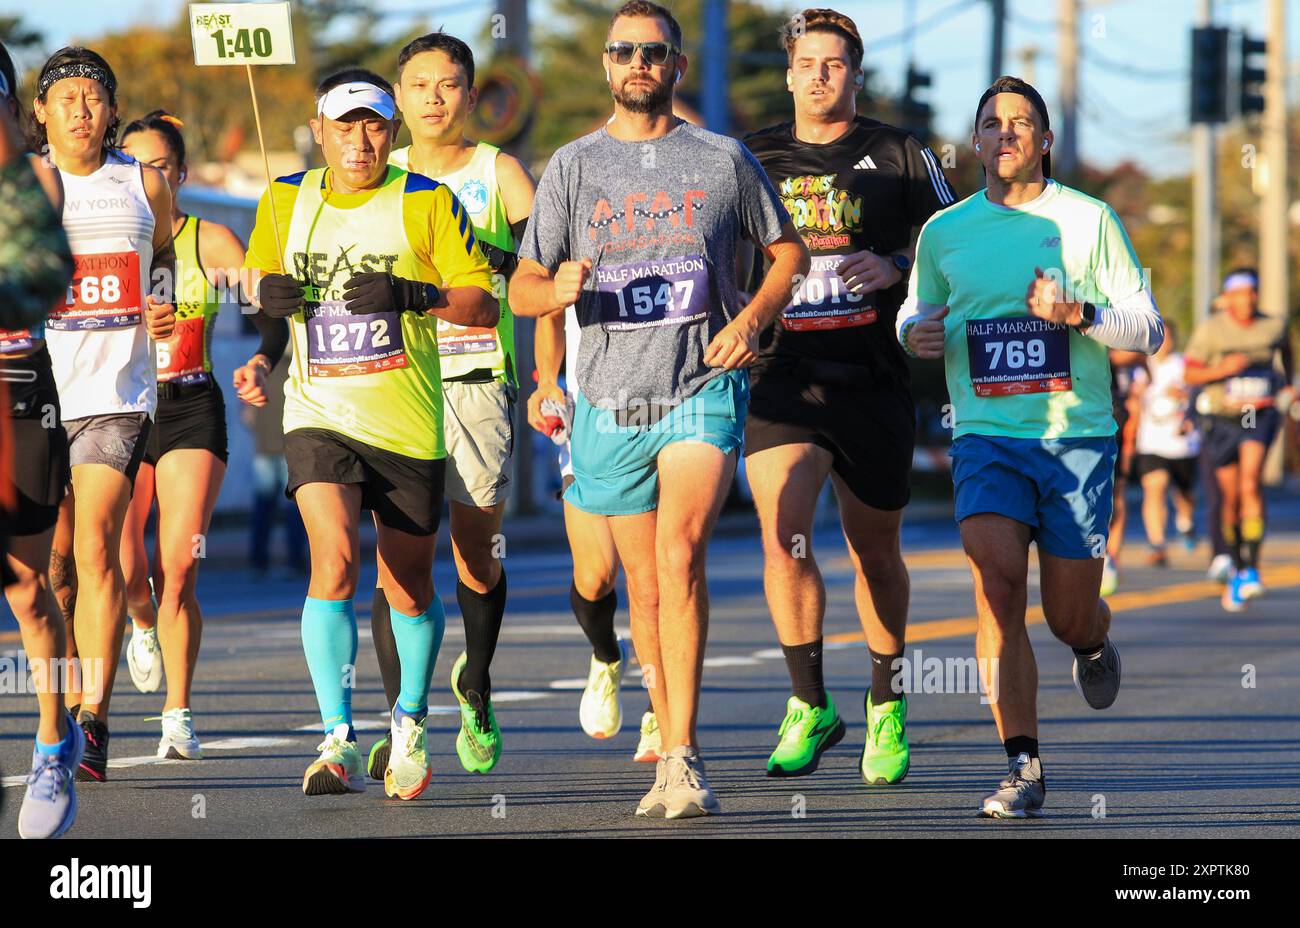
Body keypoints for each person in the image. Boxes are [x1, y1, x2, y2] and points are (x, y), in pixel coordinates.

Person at [511, 0, 809, 819]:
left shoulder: (722, 159)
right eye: (623, 51)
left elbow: (789, 251)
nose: (638, 62)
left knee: (680, 557)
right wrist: (553, 289)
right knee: (640, 588)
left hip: (701, 389)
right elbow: (522, 285)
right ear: (608, 67)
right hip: (610, 399)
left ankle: (682, 755)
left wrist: (753, 320)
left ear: (676, 66)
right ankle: (665, 733)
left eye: (654, 51)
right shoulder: (572, 167)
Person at [898, 76, 1162, 818]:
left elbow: (1148, 326)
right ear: (976, 141)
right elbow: (916, 312)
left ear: (1044, 140)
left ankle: (1092, 641)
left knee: (1067, 615)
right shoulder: (943, 232)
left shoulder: (1089, 220)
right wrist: (910, 334)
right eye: (992, 122)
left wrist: (1077, 311)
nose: (1005, 132)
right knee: (997, 584)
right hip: (985, 436)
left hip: (1076, 438)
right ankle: (1023, 766)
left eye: (1021, 122)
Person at [242, 67, 496, 799]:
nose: (359, 140)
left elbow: (479, 305)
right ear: (319, 130)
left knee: (407, 586)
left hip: (407, 420)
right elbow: (256, 282)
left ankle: (410, 717)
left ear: (392, 132)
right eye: (344, 125)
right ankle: (337, 738)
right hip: (318, 410)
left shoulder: (426, 201)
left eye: (375, 125)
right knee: (334, 567)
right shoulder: (286, 196)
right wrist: (264, 297)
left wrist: (415, 294)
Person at [740, 8, 956, 782]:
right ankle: (809, 702)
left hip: (874, 380)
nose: (820, 75)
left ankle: (886, 701)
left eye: (836, 64)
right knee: (783, 533)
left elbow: (954, 241)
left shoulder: (900, 152)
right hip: (784, 377)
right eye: (808, 63)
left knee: (876, 555)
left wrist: (898, 265)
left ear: (856, 76)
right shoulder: (752, 155)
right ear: (791, 72)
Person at [366, 31, 536, 779]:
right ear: (397, 99)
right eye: (419, 85)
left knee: (473, 552)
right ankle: (404, 718)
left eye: (449, 84)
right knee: (396, 564)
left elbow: (543, 272)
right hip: (390, 381)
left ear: (472, 97)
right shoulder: (377, 170)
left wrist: (497, 260)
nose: (434, 97)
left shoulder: (498, 171)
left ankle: (476, 682)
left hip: (474, 378)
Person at [116, 110, 286, 756]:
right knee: (128, 564)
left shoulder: (208, 241)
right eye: (133, 166)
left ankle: (177, 713)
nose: (147, 178)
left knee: (179, 563)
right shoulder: (104, 242)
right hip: (122, 411)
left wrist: (262, 358)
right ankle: (140, 621)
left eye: (159, 166)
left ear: (181, 175)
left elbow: (265, 310)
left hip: (190, 408)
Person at [35, 46, 178, 782]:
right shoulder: (26, 185)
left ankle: (94, 718)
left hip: (117, 399)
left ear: (114, 111)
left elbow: (162, 263)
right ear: (40, 113)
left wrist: (162, 305)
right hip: (38, 394)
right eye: (66, 98)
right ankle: (52, 718)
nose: (81, 110)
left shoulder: (145, 182)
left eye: (94, 97)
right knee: (52, 571)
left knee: (96, 549)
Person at [0, 40, 81, 838]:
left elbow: (32, 284)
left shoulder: (35, 182)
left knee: (27, 589)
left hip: (18, 400)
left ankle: (55, 739)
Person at [529, 305, 660, 760]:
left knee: (653, 582)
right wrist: (549, 382)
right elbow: (544, 306)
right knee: (595, 577)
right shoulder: (577, 234)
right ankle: (607, 655)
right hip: (591, 422)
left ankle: (658, 709)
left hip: (664, 413)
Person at [1183, 269, 1294, 613]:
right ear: (1228, 297)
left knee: (1250, 483)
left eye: (1252, 293)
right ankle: (1236, 565)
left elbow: (1285, 349)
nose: (1248, 299)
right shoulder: (1212, 329)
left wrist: (1288, 383)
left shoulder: (1272, 325)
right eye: (1241, 293)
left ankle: (1252, 567)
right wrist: (1223, 369)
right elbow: (1190, 372)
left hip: (1257, 416)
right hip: (1222, 418)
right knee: (1229, 498)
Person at [1132, 318, 1199, 566]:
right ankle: (1157, 543)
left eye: (1169, 337)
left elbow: (1196, 393)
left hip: (1181, 440)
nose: (1164, 342)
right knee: (1155, 486)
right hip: (1151, 439)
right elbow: (1134, 399)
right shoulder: (1141, 365)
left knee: (1184, 493)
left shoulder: (1182, 365)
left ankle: (1185, 522)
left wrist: (1182, 395)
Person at [244, 350, 307, 576]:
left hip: (264, 448)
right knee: (294, 510)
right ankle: (295, 561)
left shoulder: (258, 372)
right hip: (290, 450)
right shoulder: (296, 369)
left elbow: (247, 416)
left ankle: (258, 562)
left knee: (263, 508)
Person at [1100, 350, 1146, 595]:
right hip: (1085, 421)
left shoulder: (1100, 324)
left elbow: (1132, 352)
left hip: (1113, 417)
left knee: (1117, 492)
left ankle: (1111, 558)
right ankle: (1099, 555)